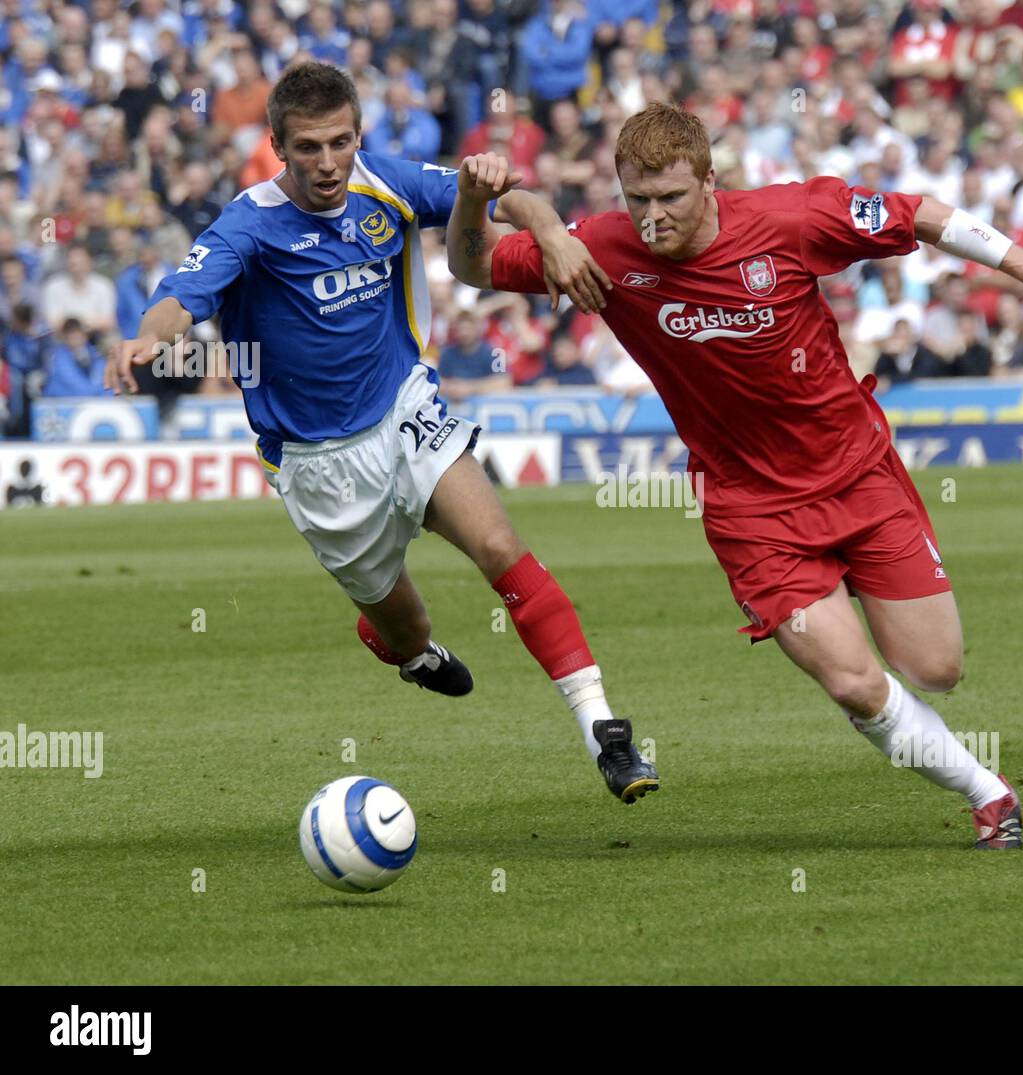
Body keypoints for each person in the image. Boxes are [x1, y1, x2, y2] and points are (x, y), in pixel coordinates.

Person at [450, 103, 1023, 849]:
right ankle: (989, 794)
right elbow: (470, 264)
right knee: (854, 682)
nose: (653, 217)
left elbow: (921, 213)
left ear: (709, 180)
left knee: (937, 667)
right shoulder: (598, 248)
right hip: (750, 505)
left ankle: (879, 609)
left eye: (671, 197)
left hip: (858, 472)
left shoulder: (794, 217)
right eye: (637, 200)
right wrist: (497, 206)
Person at [104, 63, 657, 805]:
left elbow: (502, 192)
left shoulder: (385, 183)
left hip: (404, 409)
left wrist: (547, 227)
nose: (328, 163)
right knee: (405, 627)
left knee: (500, 546)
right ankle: (402, 647)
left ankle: (603, 730)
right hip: (316, 462)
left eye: (340, 142)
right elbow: (181, 296)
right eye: (308, 148)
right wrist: (145, 339)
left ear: (358, 134)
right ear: (277, 146)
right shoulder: (249, 223)